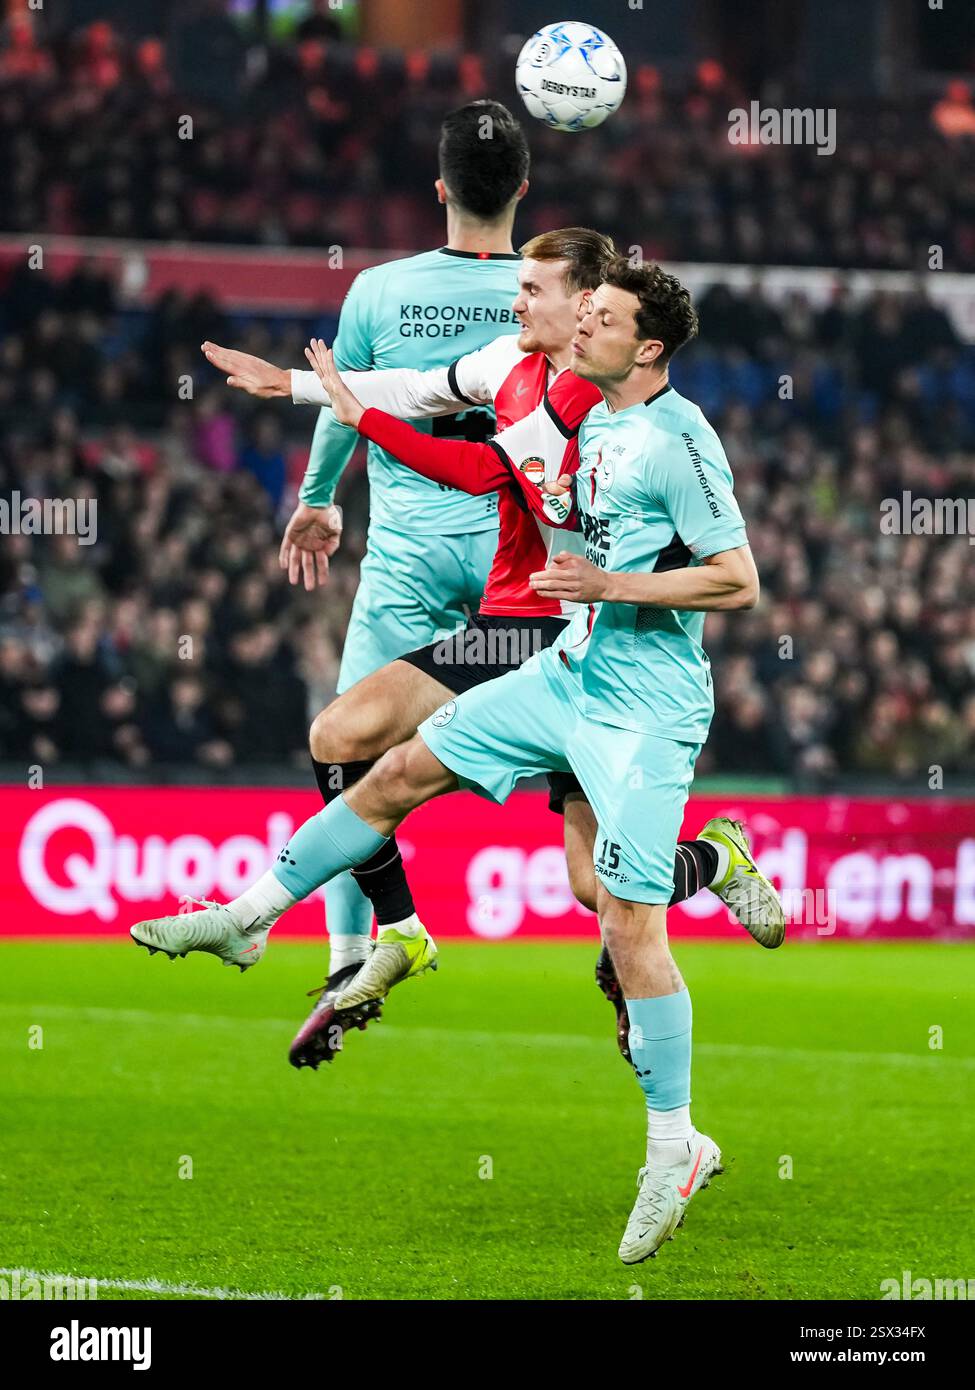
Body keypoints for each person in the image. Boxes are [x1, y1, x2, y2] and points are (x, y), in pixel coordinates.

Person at [136, 258, 763, 1262]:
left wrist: (608, 580)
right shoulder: (573, 415)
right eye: (580, 308)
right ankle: (248, 917)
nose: (557, 320)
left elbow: (738, 581)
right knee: (388, 771)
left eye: (590, 311)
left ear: (642, 345)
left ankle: (673, 1143)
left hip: (644, 706)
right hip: (563, 668)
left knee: (624, 921)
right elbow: (471, 447)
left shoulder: (679, 437)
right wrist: (331, 398)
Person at [200, 230, 784, 1069]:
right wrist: (295, 385)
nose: (518, 305)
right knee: (349, 742)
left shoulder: (597, 398)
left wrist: (352, 419)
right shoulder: (504, 366)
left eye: (534, 290)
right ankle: (389, 929)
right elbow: (412, 387)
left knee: (599, 889)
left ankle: (680, 893)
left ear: (585, 307)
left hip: (563, 634)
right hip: (522, 626)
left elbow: (476, 468)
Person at [206, 99, 528, 988]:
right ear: (524, 191)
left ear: (438, 189)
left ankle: (353, 959)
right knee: (579, 759)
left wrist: (317, 500)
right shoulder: (550, 297)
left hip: (410, 562)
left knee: (345, 751)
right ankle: (636, 944)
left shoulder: (379, 290)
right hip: (521, 565)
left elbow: (344, 399)